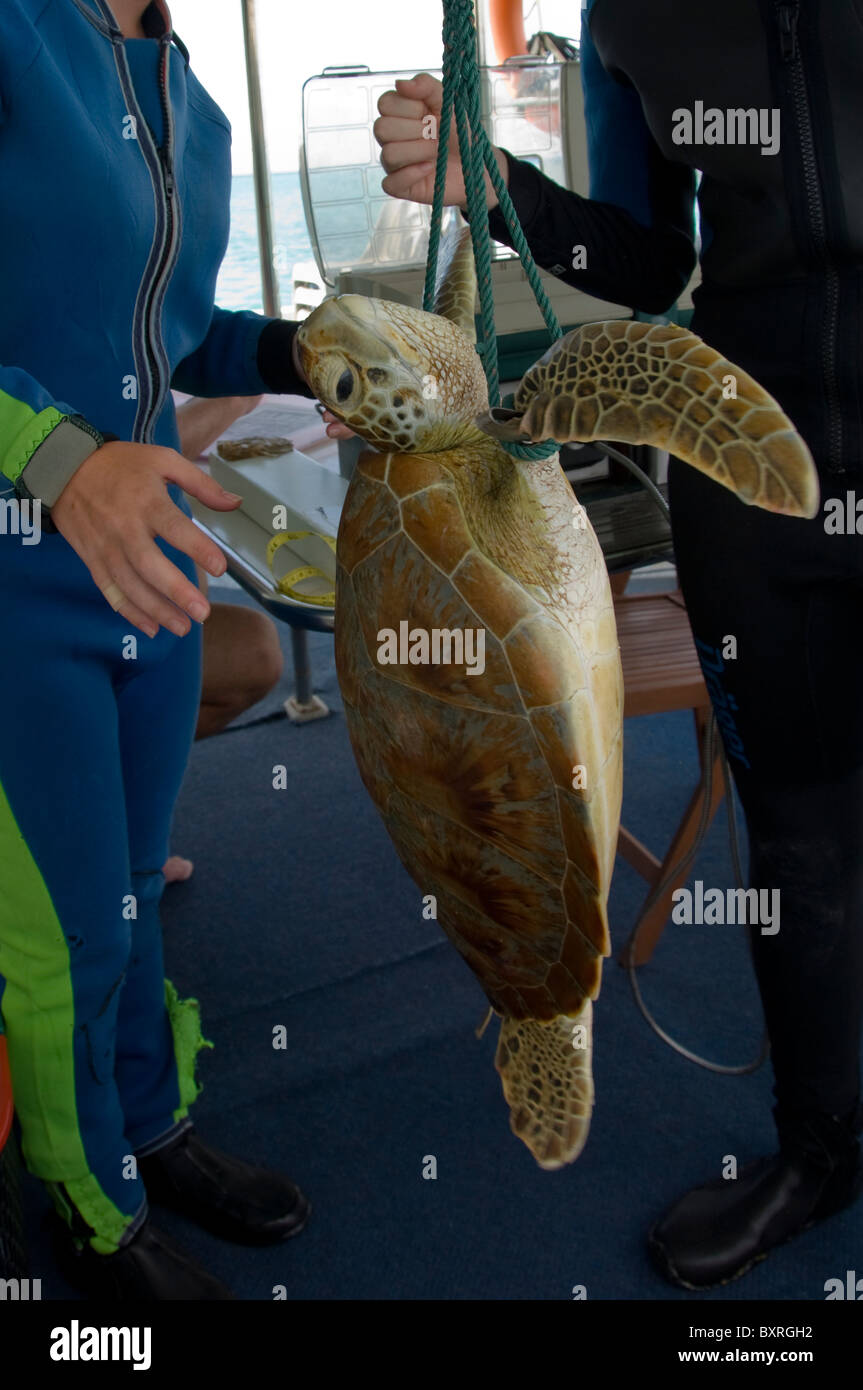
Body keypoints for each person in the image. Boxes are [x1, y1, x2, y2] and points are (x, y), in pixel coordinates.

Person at [374, 0, 863, 1291]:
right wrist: (498, 191)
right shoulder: (633, 13)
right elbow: (649, 262)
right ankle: (821, 1147)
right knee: (802, 853)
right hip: (749, 475)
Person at [0, 0, 328, 1300]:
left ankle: (149, 1128)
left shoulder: (194, 104)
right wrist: (54, 455)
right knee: (68, 934)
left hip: (152, 572)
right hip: (18, 581)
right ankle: (92, 1208)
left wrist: (297, 350)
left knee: (131, 895)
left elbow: (165, 331)